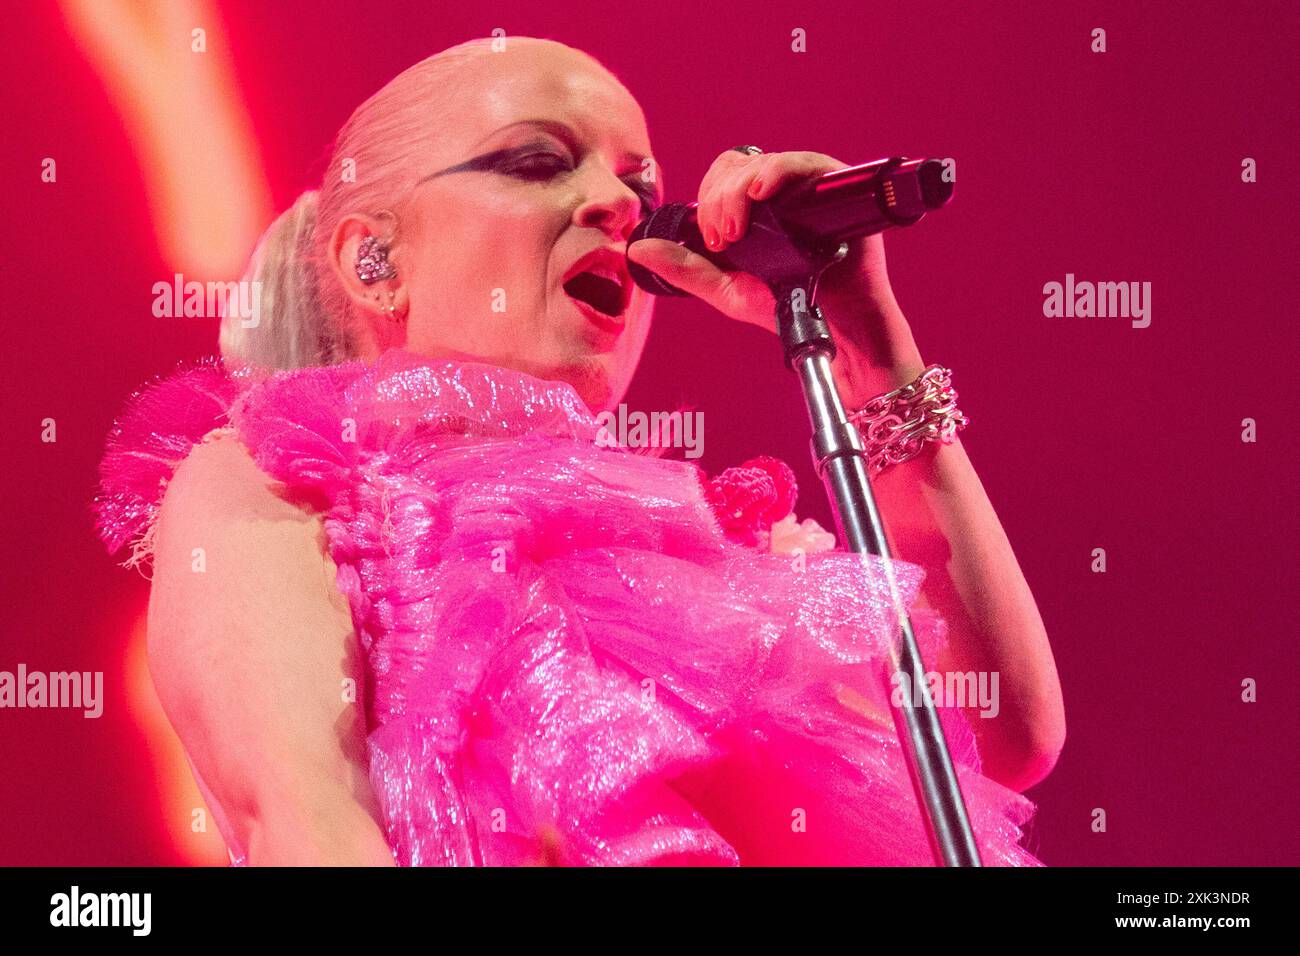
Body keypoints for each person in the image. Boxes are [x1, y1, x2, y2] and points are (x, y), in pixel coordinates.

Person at [94, 36, 1064, 866]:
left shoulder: (726, 562)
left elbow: (998, 733)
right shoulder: (279, 482)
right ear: (374, 259)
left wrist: (867, 343)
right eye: (534, 162)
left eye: (641, 184)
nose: (619, 201)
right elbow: (303, 816)